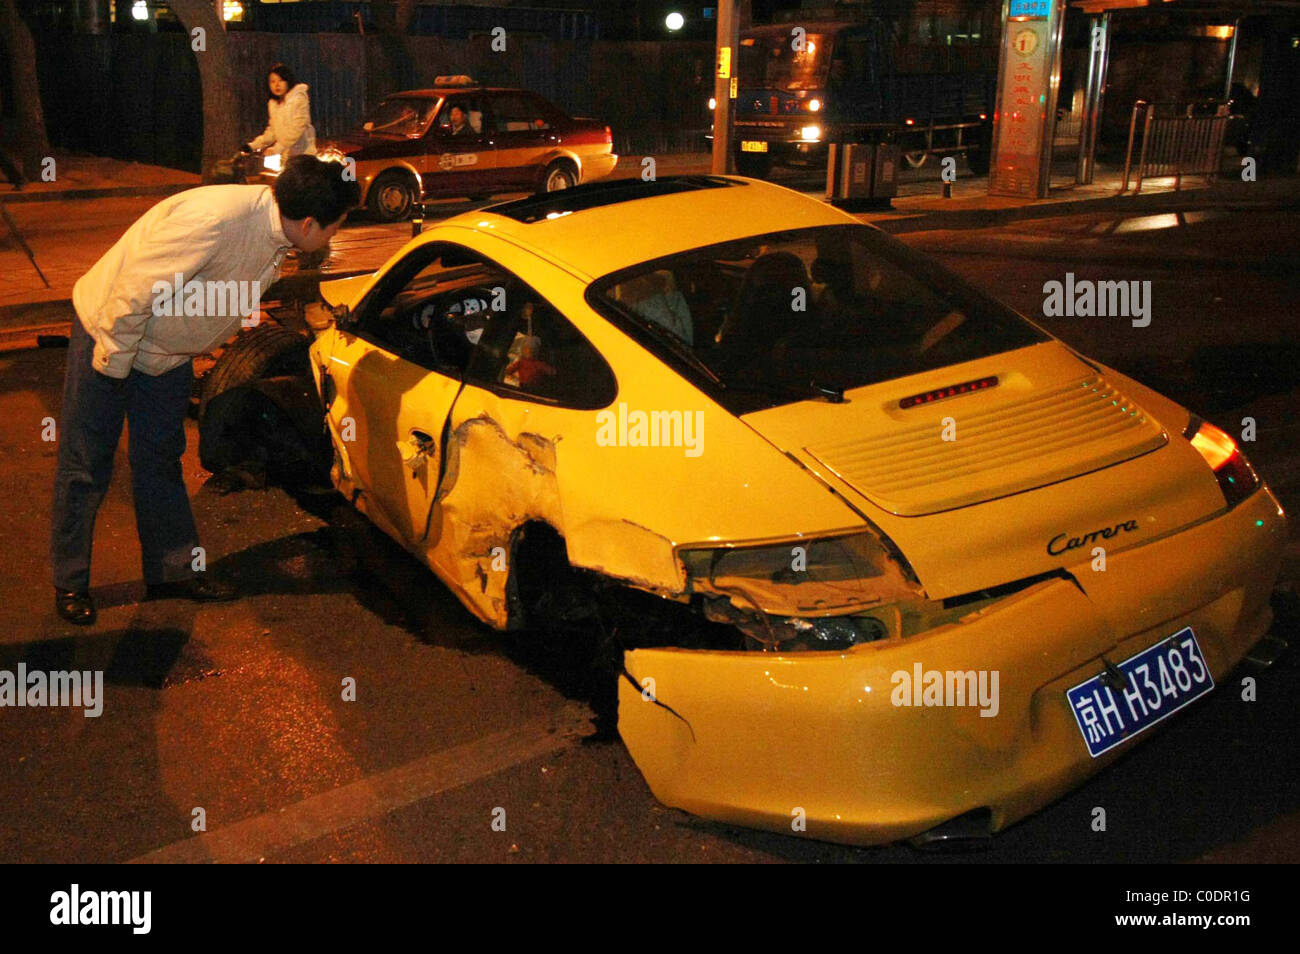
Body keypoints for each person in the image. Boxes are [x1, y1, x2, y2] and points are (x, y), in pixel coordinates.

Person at [50, 156, 360, 625]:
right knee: (87, 462)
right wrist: (113, 366)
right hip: (111, 336)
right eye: (334, 227)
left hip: (165, 354)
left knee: (159, 458)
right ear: (310, 222)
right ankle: (70, 581)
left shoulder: (277, 234)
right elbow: (135, 290)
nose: (333, 237)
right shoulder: (217, 221)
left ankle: (173, 569)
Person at [240, 63, 317, 160]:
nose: (277, 85)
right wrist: (253, 146)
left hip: (304, 156)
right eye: (272, 81)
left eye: (281, 80)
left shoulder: (298, 99)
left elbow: (298, 127)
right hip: (287, 157)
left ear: (288, 81)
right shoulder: (274, 104)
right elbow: (273, 131)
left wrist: (278, 148)